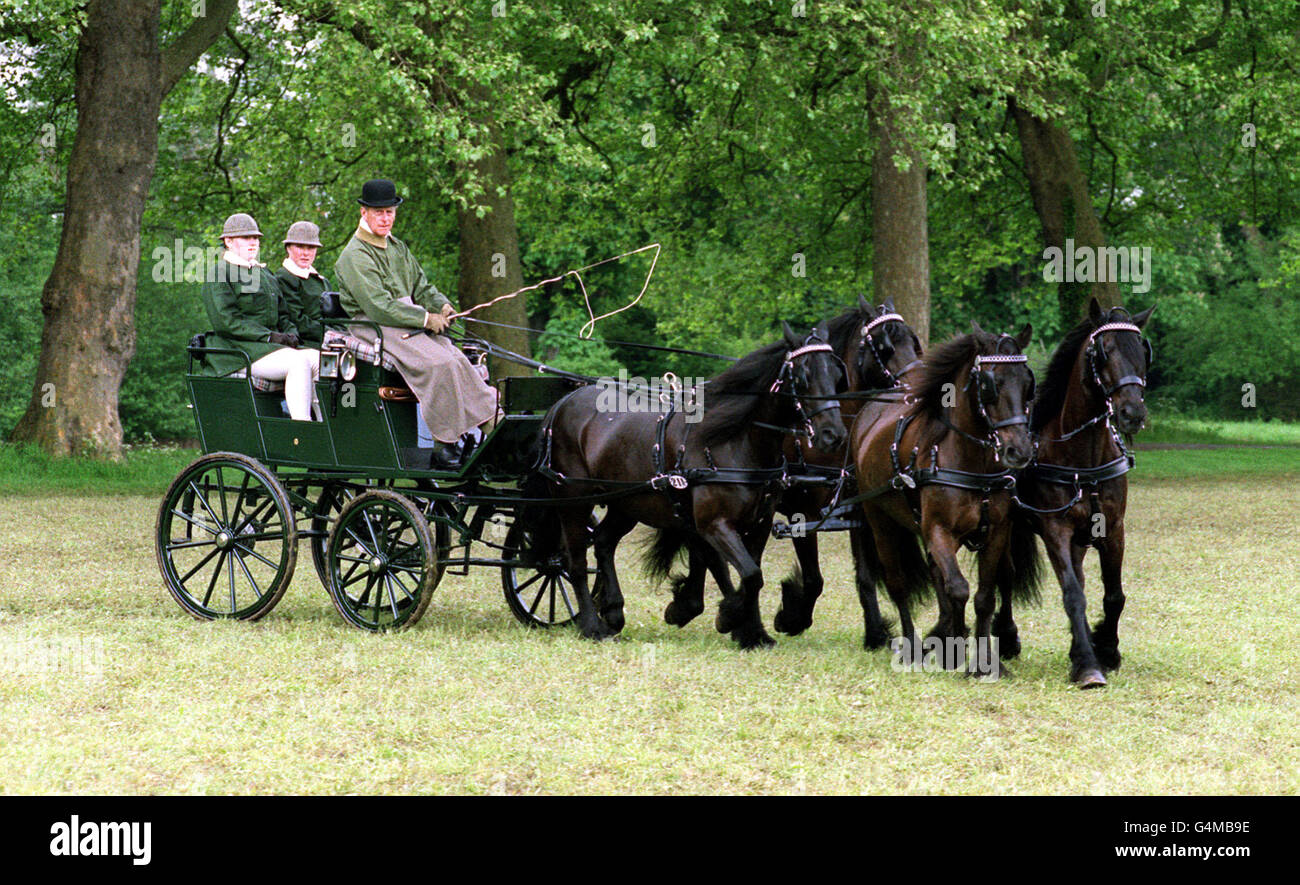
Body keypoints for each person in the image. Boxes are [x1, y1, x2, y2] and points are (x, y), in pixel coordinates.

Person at [333, 179, 498, 468]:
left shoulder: (398, 248)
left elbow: (422, 287)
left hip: (404, 320)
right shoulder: (354, 255)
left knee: (457, 358)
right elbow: (377, 306)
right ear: (364, 213)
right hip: (373, 325)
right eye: (379, 213)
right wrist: (425, 318)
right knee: (438, 364)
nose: (386, 219)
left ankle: (492, 421)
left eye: (390, 212)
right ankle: (445, 443)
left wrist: (442, 307)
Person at [201, 213, 320, 421]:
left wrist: (290, 334)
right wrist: (269, 336)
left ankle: (325, 426)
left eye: (255, 238)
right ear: (228, 242)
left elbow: (283, 314)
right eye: (246, 238)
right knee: (298, 363)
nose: (253, 242)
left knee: (321, 360)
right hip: (235, 350)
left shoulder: (265, 275)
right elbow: (226, 322)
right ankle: (303, 429)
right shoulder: (220, 273)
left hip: (269, 348)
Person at [273, 220, 327, 348]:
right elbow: (296, 320)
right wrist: (330, 333)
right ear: (288, 248)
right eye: (300, 247)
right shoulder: (284, 277)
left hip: (326, 338)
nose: (305, 253)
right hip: (305, 342)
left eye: (311, 248)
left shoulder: (321, 280)